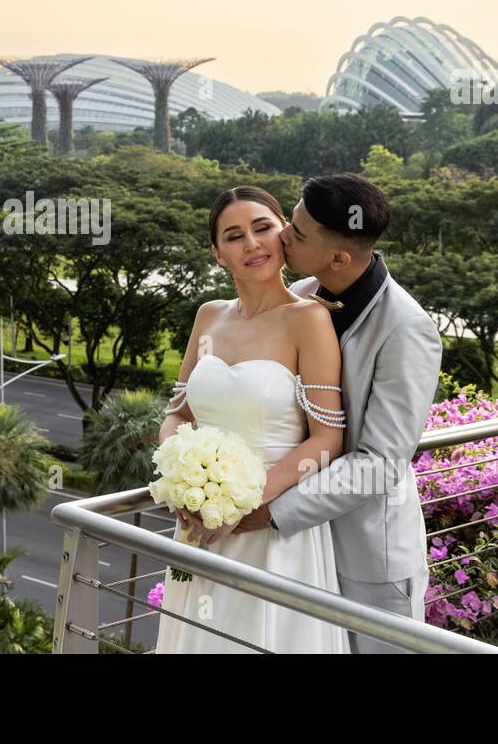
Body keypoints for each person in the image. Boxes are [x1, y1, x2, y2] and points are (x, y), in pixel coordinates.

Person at [231, 172, 444, 654]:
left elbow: (381, 462)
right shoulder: (301, 296)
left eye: (298, 234)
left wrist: (271, 512)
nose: (282, 234)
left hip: (365, 557)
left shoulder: (408, 329)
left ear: (339, 257)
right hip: (297, 550)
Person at [154, 185, 351, 654]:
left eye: (262, 228)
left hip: (268, 526)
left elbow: (327, 438)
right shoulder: (208, 317)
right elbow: (178, 413)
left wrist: (243, 505)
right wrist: (182, 480)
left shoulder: (309, 319)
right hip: (199, 522)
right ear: (218, 254)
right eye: (234, 235)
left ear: (284, 232)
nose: (252, 244)